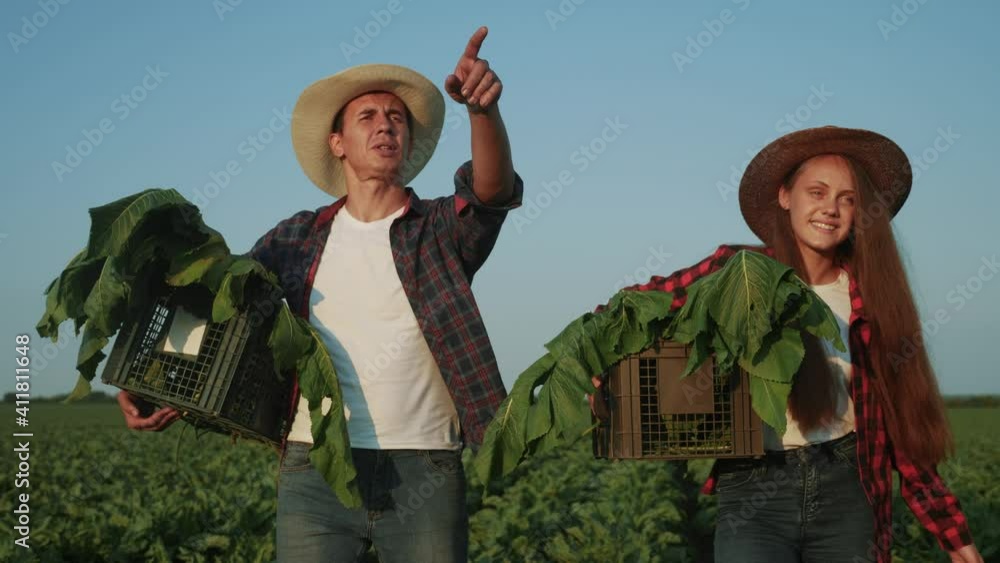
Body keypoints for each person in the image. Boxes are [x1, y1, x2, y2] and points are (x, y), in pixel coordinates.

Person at [117, 26, 522, 562]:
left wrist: (481, 111)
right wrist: (151, 385)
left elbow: (490, 193)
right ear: (339, 144)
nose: (386, 126)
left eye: (396, 118)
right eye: (368, 117)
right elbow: (225, 312)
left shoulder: (439, 229)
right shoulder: (296, 238)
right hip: (315, 468)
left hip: (425, 465)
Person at [589, 126, 983, 562]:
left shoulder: (872, 298)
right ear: (785, 196)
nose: (830, 209)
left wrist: (956, 539)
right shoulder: (737, 271)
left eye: (847, 199)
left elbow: (904, 432)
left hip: (849, 493)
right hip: (754, 488)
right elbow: (641, 303)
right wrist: (601, 361)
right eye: (817, 192)